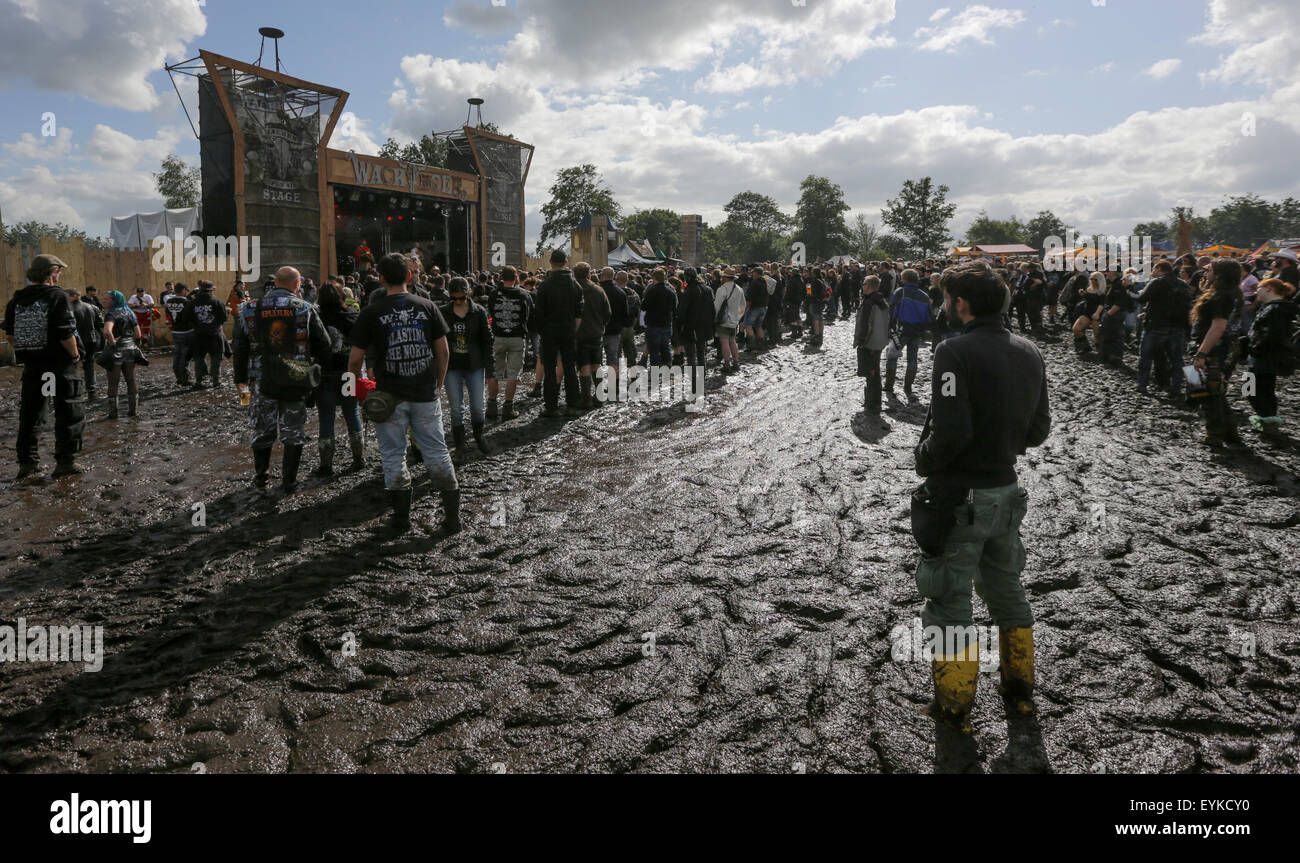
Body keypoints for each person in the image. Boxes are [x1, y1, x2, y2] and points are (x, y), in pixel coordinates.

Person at [912, 260, 1051, 733]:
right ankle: (1020, 689)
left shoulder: (953, 351)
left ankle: (953, 702)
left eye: (946, 298)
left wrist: (924, 458)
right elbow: (1039, 429)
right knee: (1006, 588)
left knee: (948, 597)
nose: (944, 305)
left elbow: (950, 431)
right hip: (1007, 489)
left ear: (961, 303)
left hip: (961, 494)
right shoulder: (1030, 350)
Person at [348, 253, 459, 533]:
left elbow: (354, 359)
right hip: (424, 393)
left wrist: (351, 387)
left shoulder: (371, 312)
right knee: (437, 452)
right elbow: (443, 351)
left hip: (389, 397)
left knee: (393, 455)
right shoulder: (427, 306)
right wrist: (439, 383)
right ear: (409, 276)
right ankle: (452, 518)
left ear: (380, 278)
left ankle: (400, 520)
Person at [232, 266, 332, 494]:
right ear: (297, 285)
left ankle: (261, 477)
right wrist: (318, 373)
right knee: (293, 430)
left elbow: (239, 347)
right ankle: (289, 481)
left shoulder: (248, 309)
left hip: (260, 379)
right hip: (296, 379)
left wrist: (240, 380)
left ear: (275, 283)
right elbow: (324, 344)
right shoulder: (305, 309)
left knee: (262, 428)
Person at [3, 254, 85, 478]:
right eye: (59, 271)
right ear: (52, 272)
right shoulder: (57, 296)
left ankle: (28, 464)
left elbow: (10, 335)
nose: (60, 274)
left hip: (34, 367)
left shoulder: (17, 299)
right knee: (68, 410)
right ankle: (65, 462)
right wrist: (76, 355)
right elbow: (65, 333)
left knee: (32, 413)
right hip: (59, 366)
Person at [1189, 259, 1245, 447]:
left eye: (1210, 270)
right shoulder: (1234, 294)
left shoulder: (1220, 296)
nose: (1206, 273)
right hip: (1227, 348)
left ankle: (1214, 435)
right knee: (1216, 392)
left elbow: (1218, 326)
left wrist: (1201, 354)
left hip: (1214, 350)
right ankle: (1230, 432)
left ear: (1219, 275)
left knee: (1207, 393)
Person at [314, 280, 365, 475]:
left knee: (326, 416)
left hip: (324, 373)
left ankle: (326, 464)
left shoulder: (316, 317)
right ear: (341, 296)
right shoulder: (353, 316)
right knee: (351, 412)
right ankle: (359, 458)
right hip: (348, 372)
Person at [440, 277, 493, 454]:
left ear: (468, 293)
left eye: (461, 297)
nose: (457, 301)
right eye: (454, 298)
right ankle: (460, 444)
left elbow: (487, 340)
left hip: (475, 364)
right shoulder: (443, 312)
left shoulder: (478, 312)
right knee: (456, 408)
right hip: (452, 366)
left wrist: (489, 366)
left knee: (478, 406)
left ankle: (478, 436)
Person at [1243, 278, 1298, 437]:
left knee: (1249, 388)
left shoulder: (1274, 309)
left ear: (1269, 288)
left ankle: (1268, 422)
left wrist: (1254, 349)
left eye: (1259, 288)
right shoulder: (1277, 308)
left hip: (1263, 356)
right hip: (1270, 357)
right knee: (1266, 389)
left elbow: (1272, 335)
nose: (1256, 291)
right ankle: (1269, 422)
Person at [534, 250, 585, 417]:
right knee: (570, 368)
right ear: (566, 262)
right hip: (568, 331)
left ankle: (551, 407)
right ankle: (571, 405)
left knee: (549, 369)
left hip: (549, 332)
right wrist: (572, 330)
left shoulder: (544, 286)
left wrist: (543, 331)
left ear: (550, 262)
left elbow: (538, 315)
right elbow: (579, 314)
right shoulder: (576, 285)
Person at [1133, 261, 1192, 396]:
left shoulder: (1156, 282)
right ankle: (1175, 388)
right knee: (1176, 360)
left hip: (1156, 326)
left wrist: (1132, 289)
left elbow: (1142, 298)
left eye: (1153, 269)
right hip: (1177, 327)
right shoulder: (1182, 284)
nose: (1152, 272)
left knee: (1146, 357)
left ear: (1159, 269)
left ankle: (1142, 385)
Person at [487, 266, 532, 421]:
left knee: (494, 373)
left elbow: (491, 312)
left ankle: (491, 407)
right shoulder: (524, 294)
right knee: (513, 374)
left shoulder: (493, 293)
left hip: (498, 336)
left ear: (501, 277)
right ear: (516, 278)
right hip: (517, 337)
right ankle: (508, 407)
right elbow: (528, 314)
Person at [887, 269, 932, 401]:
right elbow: (929, 317)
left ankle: (889, 386)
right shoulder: (924, 295)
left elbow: (892, 310)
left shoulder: (900, 292)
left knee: (892, 357)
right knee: (912, 358)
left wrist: (890, 327)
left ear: (905, 279)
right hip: (917, 331)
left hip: (901, 330)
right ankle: (908, 387)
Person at [101, 290, 147, 420]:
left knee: (113, 383)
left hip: (116, 350)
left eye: (107, 299)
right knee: (131, 380)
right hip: (130, 349)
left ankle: (113, 414)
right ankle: (133, 411)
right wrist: (134, 346)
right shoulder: (130, 312)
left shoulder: (111, 313)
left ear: (114, 301)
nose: (104, 300)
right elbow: (138, 334)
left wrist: (113, 344)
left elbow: (107, 332)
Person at [574, 262, 611, 410]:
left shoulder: (573, 289)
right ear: (589, 274)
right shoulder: (598, 290)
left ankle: (586, 399)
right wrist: (601, 325)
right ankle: (600, 395)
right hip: (596, 332)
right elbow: (607, 313)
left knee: (584, 366)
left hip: (579, 333)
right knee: (596, 364)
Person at [854, 274, 890, 415]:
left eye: (864, 284)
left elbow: (865, 325)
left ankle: (872, 402)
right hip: (880, 340)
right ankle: (875, 400)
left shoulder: (869, 303)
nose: (863, 286)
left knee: (871, 373)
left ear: (869, 286)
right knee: (875, 371)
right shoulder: (882, 300)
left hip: (870, 342)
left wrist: (861, 341)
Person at [182, 280, 229, 387]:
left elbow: (186, 319)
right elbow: (224, 318)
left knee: (198, 357)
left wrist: (196, 324)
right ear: (211, 290)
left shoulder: (192, 303)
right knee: (216, 357)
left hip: (198, 334)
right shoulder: (217, 302)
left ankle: (199, 381)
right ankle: (216, 381)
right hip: (215, 335)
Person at [70, 286, 104, 400]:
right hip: (91, 340)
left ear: (73, 296)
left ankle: (75, 392)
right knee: (89, 364)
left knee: (72, 365)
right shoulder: (93, 307)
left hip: (75, 341)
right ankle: (92, 390)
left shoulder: (68, 309)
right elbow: (101, 323)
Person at [641, 267, 677, 367]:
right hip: (666, 323)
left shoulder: (651, 290)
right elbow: (675, 308)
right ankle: (668, 367)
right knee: (666, 347)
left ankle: (655, 372)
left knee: (654, 350)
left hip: (653, 324)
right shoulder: (670, 291)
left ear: (654, 278)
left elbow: (643, 307)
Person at [713, 268, 746, 374]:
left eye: (723, 276)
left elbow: (717, 306)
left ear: (726, 277)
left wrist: (715, 318)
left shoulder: (722, 289)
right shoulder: (739, 289)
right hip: (734, 320)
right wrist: (737, 317)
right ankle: (736, 362)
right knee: (733, 341)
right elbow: (743, 306)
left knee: (724, 342)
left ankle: (726, 364)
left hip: (723, 320)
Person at [163, 282, 193, 386]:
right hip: (186, 331)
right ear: (184, 290)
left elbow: (167, 315)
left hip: (175, 330)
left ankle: (178, 375)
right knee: (185, 355)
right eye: (186, 291)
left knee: (177, 353)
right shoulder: (187, 302)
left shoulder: (169, 301)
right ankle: (184, 378)